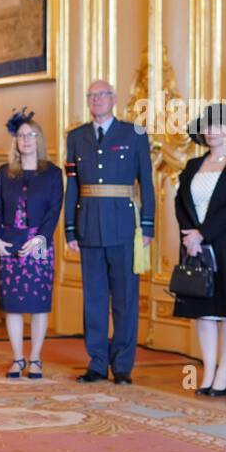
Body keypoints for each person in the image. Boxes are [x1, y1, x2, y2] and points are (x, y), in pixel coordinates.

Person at [64, 79, 154, 384]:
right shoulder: (75, 137)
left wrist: (148, 226)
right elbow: (73, 186)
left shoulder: (134, 133)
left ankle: (123, 366)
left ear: (114, 98)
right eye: (91, 95)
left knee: (126, 299)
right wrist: (70, 229)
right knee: (94, 299)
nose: (96, 100)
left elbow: (147, 183)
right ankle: (98, 362)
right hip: (88, 226)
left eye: (102, 94)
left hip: (125, 227)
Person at [173, 103, 226, 396]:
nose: (211, 131)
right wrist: (190, 236)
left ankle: (224, 371)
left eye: (217, 125)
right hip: (196, 248)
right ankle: (208, 369)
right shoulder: (194, 165)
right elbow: (180, 201)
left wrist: (204, 233)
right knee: (203, 311)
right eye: (206, 126)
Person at [0, 109, 62, 379]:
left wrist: (40, 238)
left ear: (39, 139)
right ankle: (18, 359)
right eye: (21, 135)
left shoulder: (52, 173)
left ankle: (36, 359)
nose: (26, 139)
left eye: (31, 135)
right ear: (15, 141)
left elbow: (54, 211)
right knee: (14, 304)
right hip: (9, 244)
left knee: (39, 303)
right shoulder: (5, 172)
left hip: (39, 245)